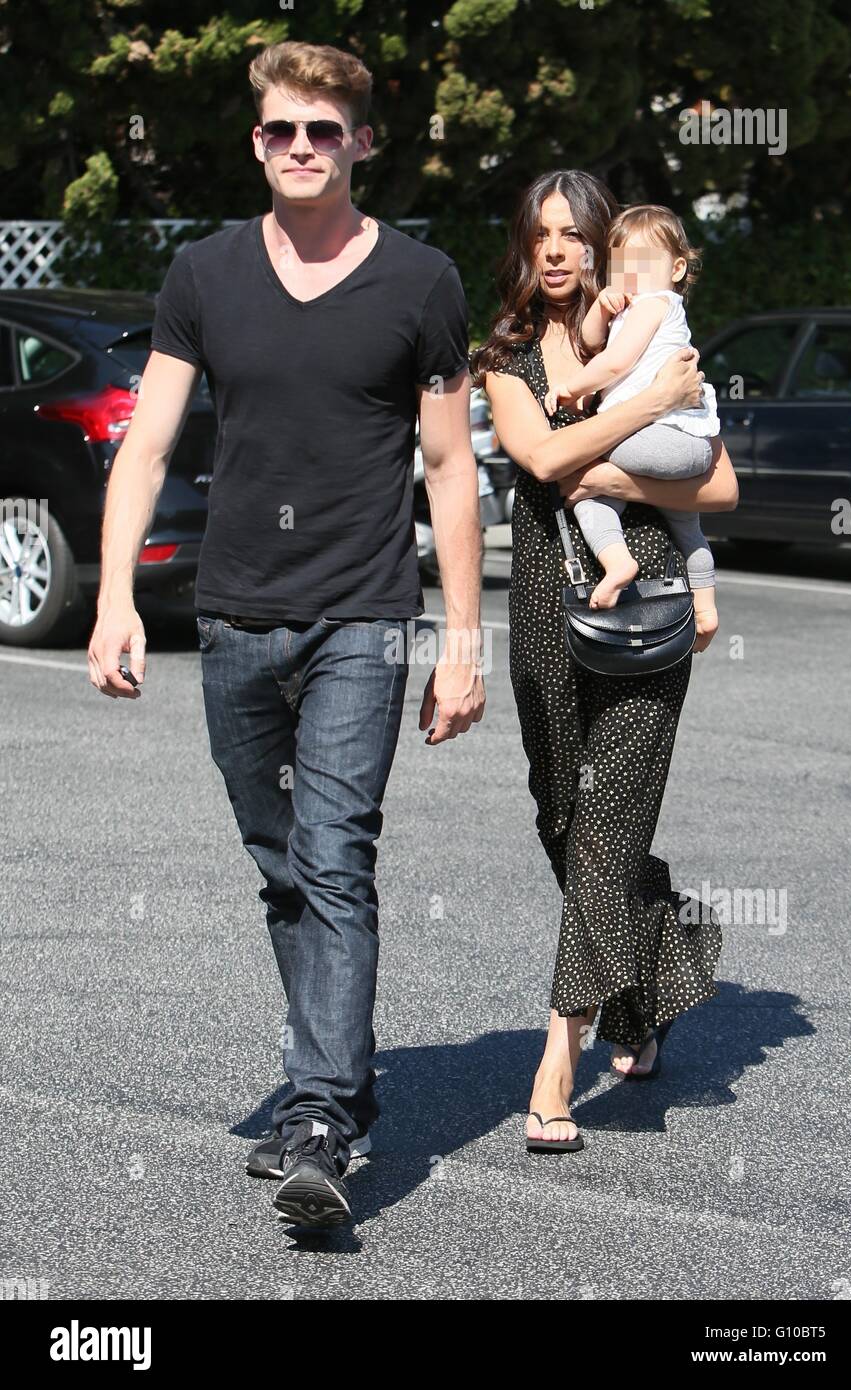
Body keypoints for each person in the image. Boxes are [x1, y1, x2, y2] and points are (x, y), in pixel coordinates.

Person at [88, 40, 485, 1226]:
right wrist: (116, 596)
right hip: (233, 615)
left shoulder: (421, 283)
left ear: (362, 141)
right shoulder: (203, 274)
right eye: (280, 132)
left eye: (323, 130)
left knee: (335, 854)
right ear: (257, 142)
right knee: (279, 866)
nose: (301, 149)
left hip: (362, 615)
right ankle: (340, 1079)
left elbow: (453, 467)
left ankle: (317, 1113)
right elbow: (146, 444)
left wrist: (462, 639)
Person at [472, 171, 735, 1152]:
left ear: (599, 247)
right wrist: (648, 405)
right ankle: (654, 978)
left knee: (607, 822)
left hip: (646, 598)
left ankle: (556, 1062)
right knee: (563, 810)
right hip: (545, 600)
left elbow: (723, 481)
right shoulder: (501, 354)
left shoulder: (654, 338)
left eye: (573, 236)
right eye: (538, 235)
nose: (554, 252)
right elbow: (541, 459)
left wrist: (651, 409)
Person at [543, 204, 719, 634]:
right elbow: (592, 339)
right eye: (622, 265)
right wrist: (603, 309)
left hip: (666, 438)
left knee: (585, 462)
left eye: (644, 263)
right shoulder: (631, 308)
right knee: (666, 521)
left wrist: (574, 388)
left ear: (676, 269)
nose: (631, 275)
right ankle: (705, 606)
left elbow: (614, 362)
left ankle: (619, 559)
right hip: (680, 442)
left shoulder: (655, 305)